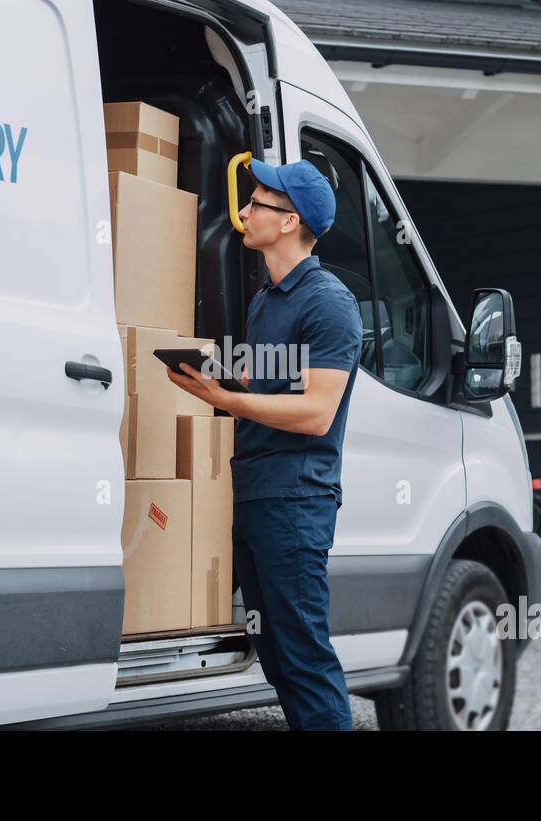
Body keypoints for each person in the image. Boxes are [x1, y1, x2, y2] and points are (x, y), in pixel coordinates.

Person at [166, 157, 362, 731]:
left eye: (256, 204)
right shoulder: (266, 300)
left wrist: (225, 400)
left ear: (288, 221)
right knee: (275, 656)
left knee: (304, 656)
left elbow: (316, 412)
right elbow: (271, 380)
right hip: (255, 494)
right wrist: (216, 374)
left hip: (295, 505)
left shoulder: (329, 302)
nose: (244, 212)